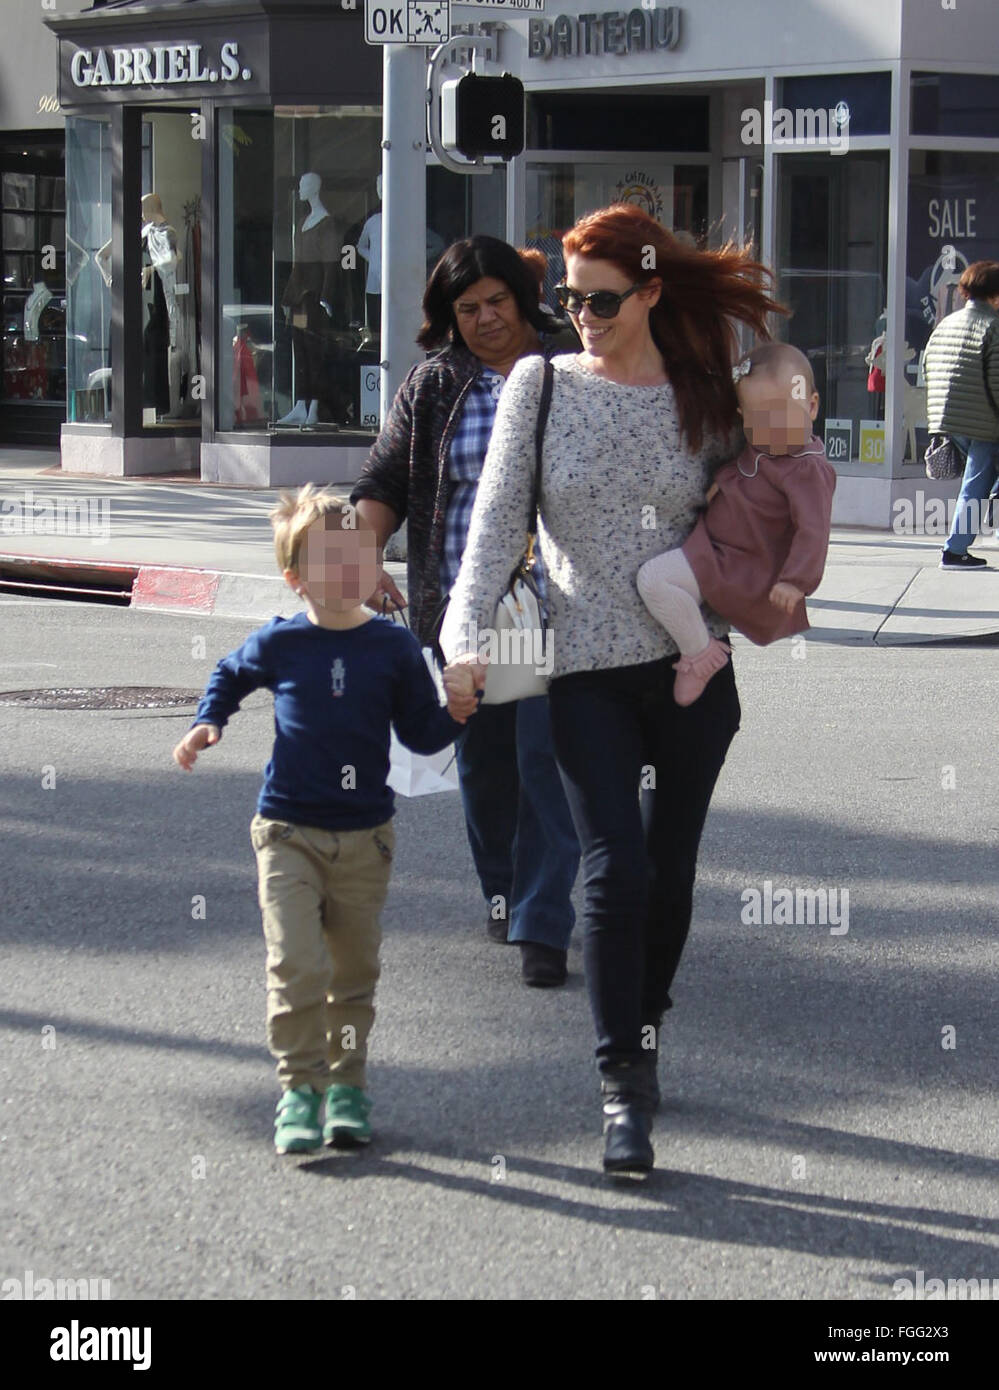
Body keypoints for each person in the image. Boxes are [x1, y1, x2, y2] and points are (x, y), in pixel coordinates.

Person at [441, 203, 784, 1179]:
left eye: (600, 300)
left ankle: (649, 1023)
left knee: (668, 871)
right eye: (568, 298)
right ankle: (621, 1080)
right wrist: (464, 643)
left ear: (649, 292)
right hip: (582, 667)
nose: (580, 315)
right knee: (613, 866)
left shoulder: (704, 395)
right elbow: (496, 530)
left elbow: (759, 510)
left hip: (690, 671)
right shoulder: (541, 388)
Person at [172, 487, 462, 1155]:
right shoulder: (281, 642)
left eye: (358, 554)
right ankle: (299, 1090)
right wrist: (206, 722)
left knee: (353, 975)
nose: (346, 569)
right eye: (328, 559)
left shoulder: (391, 648)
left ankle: (348, 1088)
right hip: (286, 831)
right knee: (298, 966)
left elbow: (420, 737)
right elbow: (228, 673)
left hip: (366, 839)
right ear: (294, 577)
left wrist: (454, 712)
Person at [350, 236, 580, 989]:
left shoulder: (571, 368)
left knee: (545, 757)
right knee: (485, 766)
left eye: (496, 303)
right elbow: (383, 478)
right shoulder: (435, 383)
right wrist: (361, 551)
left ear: (523, 299)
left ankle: (541, 921)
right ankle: (504, 890)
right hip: (468, 611)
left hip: (559, 606)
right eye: (466, 308)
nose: (484, 320)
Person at [635, 342, 836, 705]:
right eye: (759, 419)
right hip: (714, 550)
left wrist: (797, 581)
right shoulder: (766, 449)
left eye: (784, 415)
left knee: (654, 580)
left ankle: (700, 655)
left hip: (743, 566)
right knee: (656, 580)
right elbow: (743, 473)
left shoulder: (806, 468)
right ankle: (695, 647)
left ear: (812, 406)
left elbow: (814, 529)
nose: (773, 429)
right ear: (743, 416)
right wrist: (719, 487)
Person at [922, 259, 999, 569]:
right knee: (976, 484)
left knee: (979, 480)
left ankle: (957, 547)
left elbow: (928, 369)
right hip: (984, 421)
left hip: (951, 421)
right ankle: (954, 550)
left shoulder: (946, 324)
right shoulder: (992, 327)